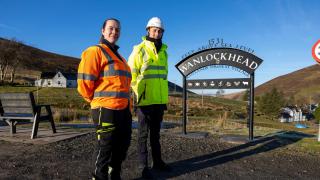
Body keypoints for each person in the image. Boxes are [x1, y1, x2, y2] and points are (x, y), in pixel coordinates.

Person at [77, 18, 132, 180]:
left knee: (122, 146)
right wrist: (96, 102)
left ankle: (114, 175)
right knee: (105, 148)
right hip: (105, 109)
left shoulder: (121, 58)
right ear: (102, 30)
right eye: (111, 28)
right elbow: (84, 84)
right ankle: (99, 177)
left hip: (124, 110)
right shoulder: (94, 51)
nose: (114, 31)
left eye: (117, 29)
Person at [128, 17, 171, 179]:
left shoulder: (164, 52)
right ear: (148, 30)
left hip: (159, 101)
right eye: (155, 30)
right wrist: (139, 94)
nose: (157, 33)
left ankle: (158, 162)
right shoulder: (139, 50)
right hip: (144, 101)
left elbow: (162, 78)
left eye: (160, 31)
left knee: (156, 134)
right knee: (143, 135)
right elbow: (131, 75)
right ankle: (143, 167)